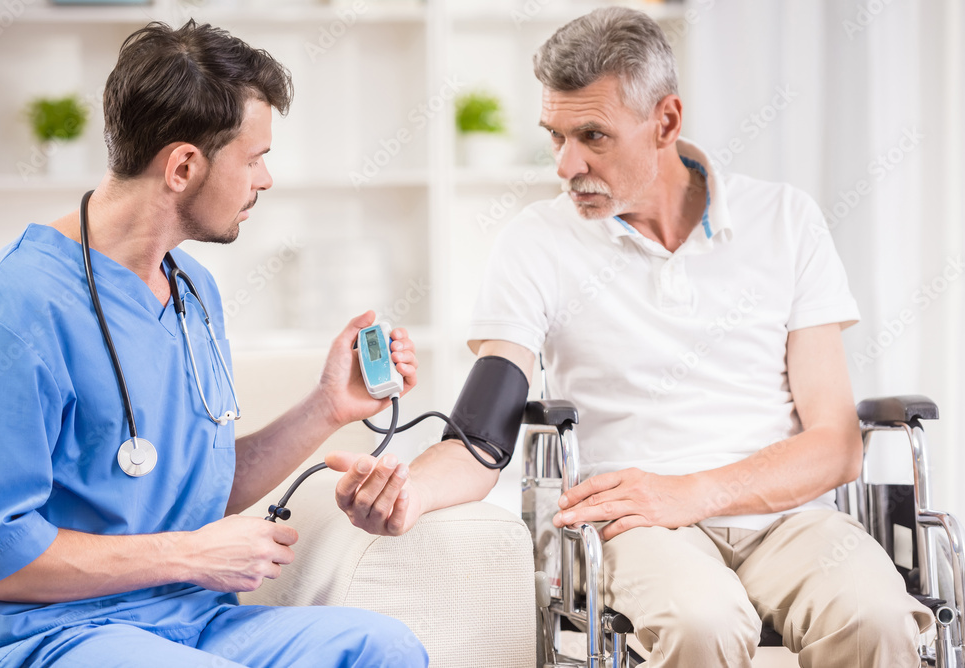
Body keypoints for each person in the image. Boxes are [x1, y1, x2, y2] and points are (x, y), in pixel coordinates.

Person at [326, 7, 933, 667]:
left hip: (793, 520)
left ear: (666, 121)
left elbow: (836, 446)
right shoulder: (537, 240)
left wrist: (693, 489)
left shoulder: (785, 220)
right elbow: (480, 437)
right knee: (700, 621)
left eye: (592, 135)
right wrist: (408, 490)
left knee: (879, 619)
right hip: (636, 526)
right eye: (554, 136)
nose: (565, 165)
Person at [0, 20, 427, 668]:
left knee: (385, 648)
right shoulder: (15, 306)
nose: (265, 179)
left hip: (190, 621)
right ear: (183, 165)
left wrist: (326, 406)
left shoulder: (193, 291)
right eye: (254, 157)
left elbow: (191, 487)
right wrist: (188, 554)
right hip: (49, 635)